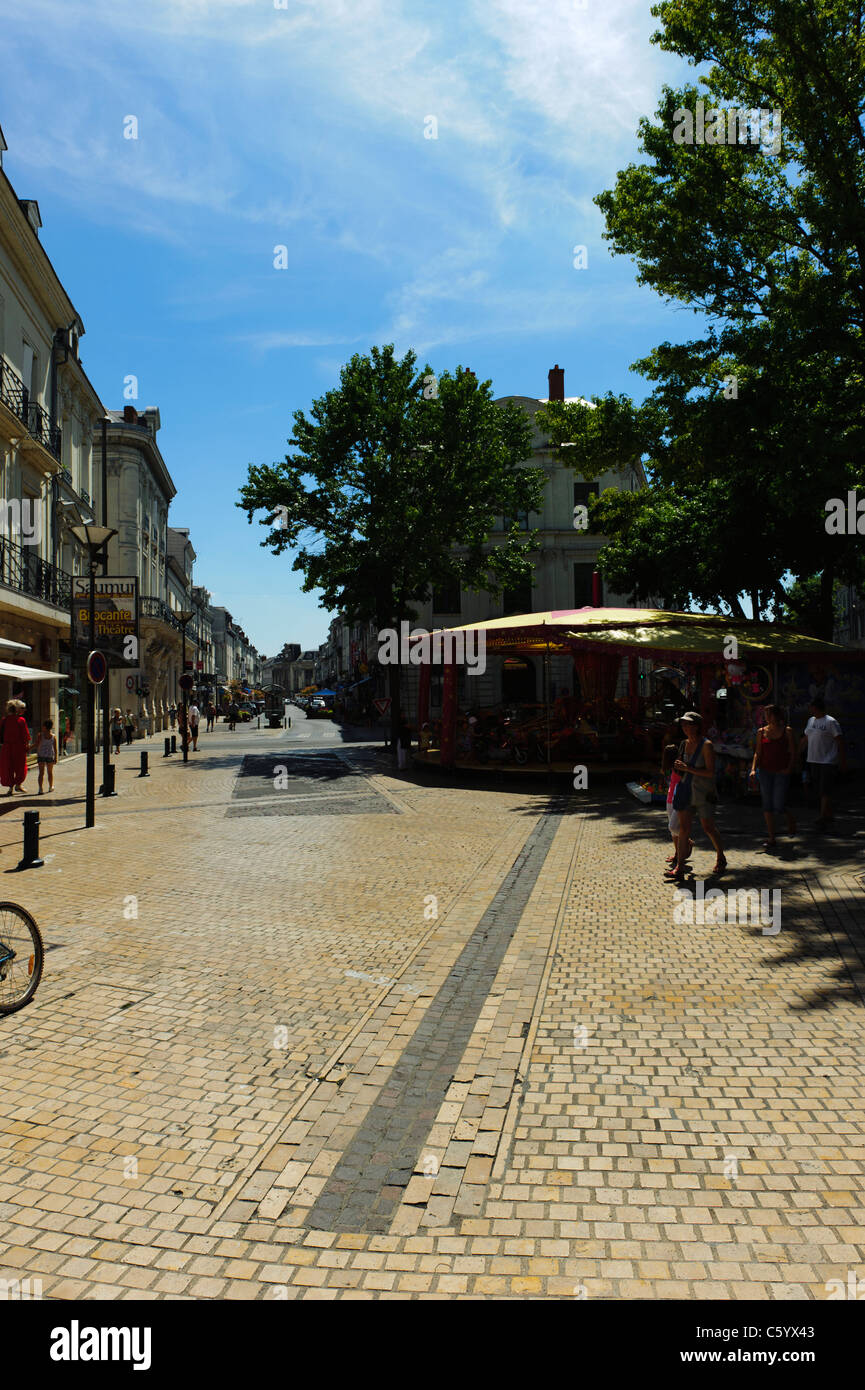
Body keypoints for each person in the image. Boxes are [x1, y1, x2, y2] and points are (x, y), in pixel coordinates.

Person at [665, 711, 726, 881]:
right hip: (686, 791)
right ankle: (680, 866)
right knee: (684, 829)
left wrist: (687, 768)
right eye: (683, 724)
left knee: (708, 827)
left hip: (703, 793)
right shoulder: (684, 744)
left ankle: (721, 856)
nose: (685, 727)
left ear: (697, 726)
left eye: (688, 724)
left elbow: (710, 772)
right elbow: (681, 769)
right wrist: (678, 766)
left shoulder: (706, 745)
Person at [749, 703, 796, 851]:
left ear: (777, 715)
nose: (767, 717)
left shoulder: (787, 731)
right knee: (767, 805)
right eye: (766, 715)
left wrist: (789, 768)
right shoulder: (761, 731)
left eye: (769, 714)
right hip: (765, 771)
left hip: (781, 771)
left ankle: (789, 818)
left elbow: (793, 752)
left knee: (778, 804)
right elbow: (758, 752)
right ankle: (772, 837)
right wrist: (753, 769)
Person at [799, 695, 846, 832]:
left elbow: (840, 741)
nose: (810, 709)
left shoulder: (831, 722)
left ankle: (822, 816)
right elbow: (806, 738)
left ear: (816, 707)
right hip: (813, 759)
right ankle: (829, 814)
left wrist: (842, 760)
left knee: (825, 788)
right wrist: (797, 752)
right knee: (819, 788)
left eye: (811, 707)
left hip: (827, 760)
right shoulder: (811, 721)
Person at [662, 742, 692, 874]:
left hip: (679, 798)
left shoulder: (680, 765)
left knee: (673, 827)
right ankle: (678, 853)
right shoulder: (670, 767)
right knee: (673, 831)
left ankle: (687, 842)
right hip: (670, 797)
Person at [0, 699, 30, 794]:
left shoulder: (4, 720)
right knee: (20, 767)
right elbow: (25, 735)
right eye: (22, 708)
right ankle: (18, 785)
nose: (24, 710)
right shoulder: (21, 720)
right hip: (18, 747)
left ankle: (10, 788)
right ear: (17, 709)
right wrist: (27, 744)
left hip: (7, 747)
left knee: (8, 767)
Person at [36, 719, 57, 793]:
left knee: (41, 773)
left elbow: (37, 744)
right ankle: (51, 787)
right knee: (50, 772)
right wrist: (56, 758)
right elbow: (55, 748)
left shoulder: (40, 735)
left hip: (41, 755)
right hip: (50, 756)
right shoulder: (53, 736)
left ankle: (40, 789)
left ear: (44, 727)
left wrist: (29, 748)